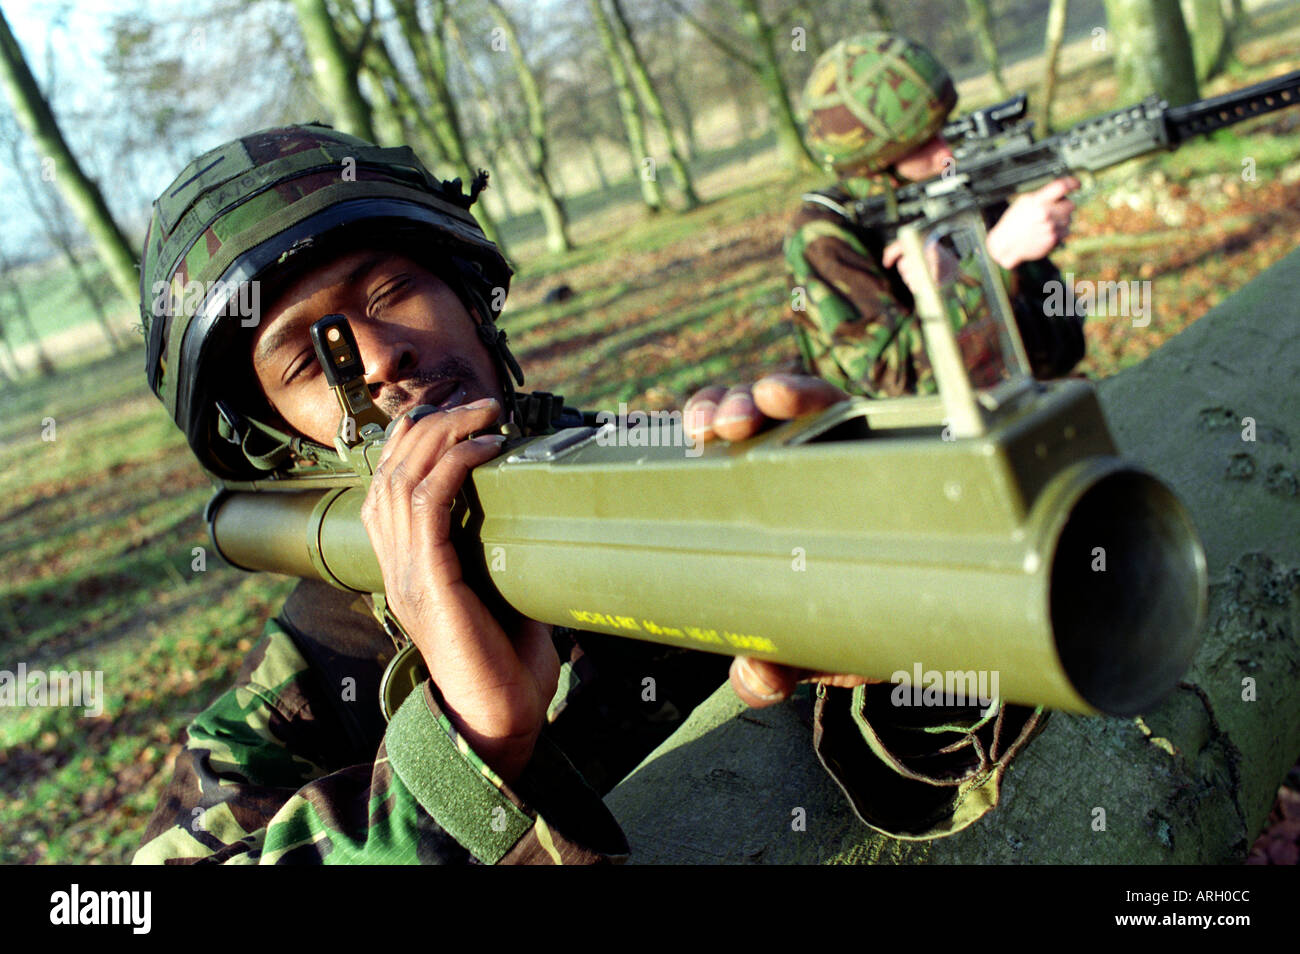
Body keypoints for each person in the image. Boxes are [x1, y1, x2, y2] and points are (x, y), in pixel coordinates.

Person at [134, 123, 888, 864]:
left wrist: (854, 535)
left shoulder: (656, 483)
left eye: (393, 291)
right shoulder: (296, 703)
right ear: (272, 441)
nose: (376, 356)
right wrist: (467, 749)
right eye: (308, 361)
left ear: (469, 301)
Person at [786, 32, 1086, 397]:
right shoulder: (825, 235)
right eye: (922, 144)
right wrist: (991, 265)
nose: (947, 154)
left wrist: (972, 282)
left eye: (944, 130)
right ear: (872, 164)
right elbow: (900, 390)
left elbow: (1065, 345)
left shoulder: (961, 189)